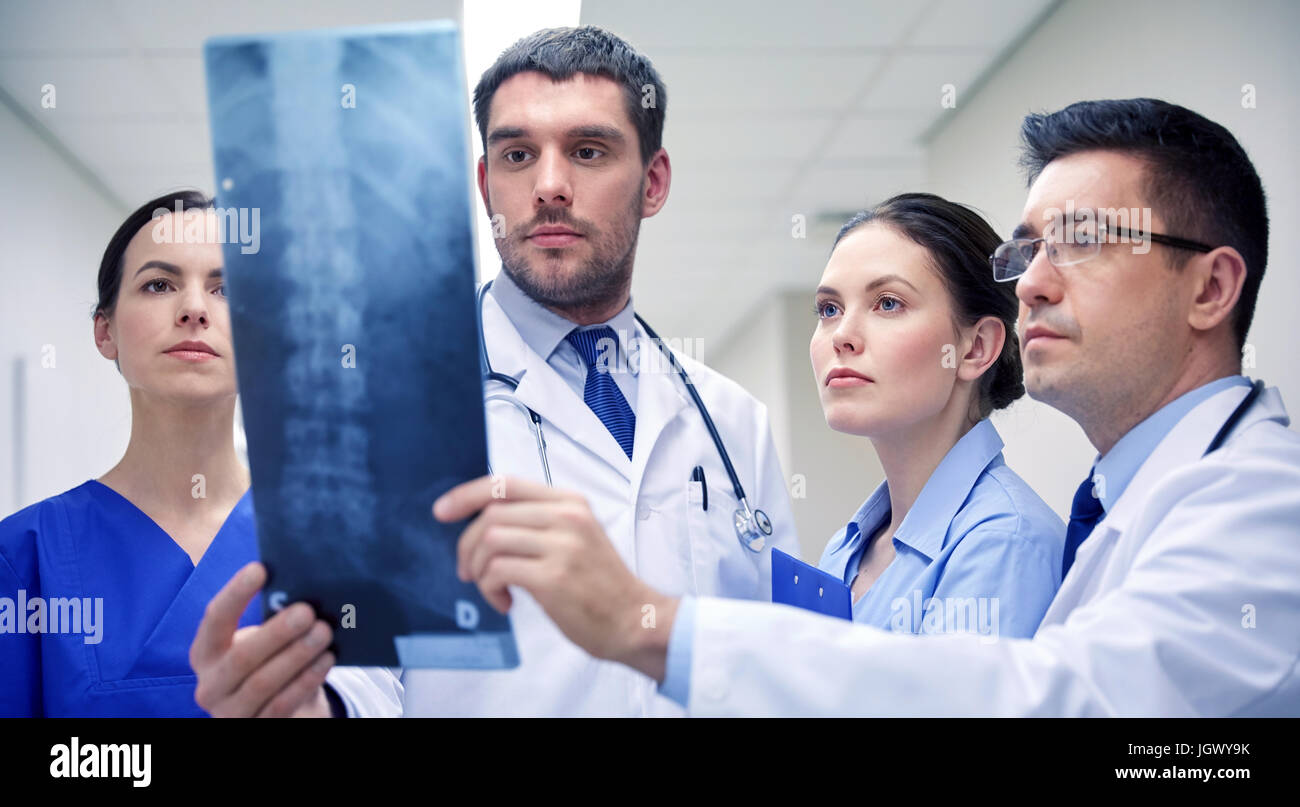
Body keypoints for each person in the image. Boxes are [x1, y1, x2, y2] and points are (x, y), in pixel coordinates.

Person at [444, 98, 1300, 716]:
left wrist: (657, 629)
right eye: (1029, 249)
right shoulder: (1114, 505)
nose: (1031, 282)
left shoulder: (1262, 506)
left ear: (1211, 286)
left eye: (1079, 243)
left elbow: (1078, 708)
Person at [194, 26, 800, 717]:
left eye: (588, 150)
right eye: (517, 154)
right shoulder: (389, 406)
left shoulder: (732, 423)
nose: (548, 186)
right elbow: (362, 665)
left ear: (653, 181)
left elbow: (775, 661)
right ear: (485, 183)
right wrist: (308, 707)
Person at [0, 191, 400, 717]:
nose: (193, 309)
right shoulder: (25, 556)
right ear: (105, 330)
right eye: (159, 284)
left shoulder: (338, 552)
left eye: (226, 288)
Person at [809, 193, 1062, 637]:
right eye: (830, 309)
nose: (842, 335)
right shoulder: (844, 552)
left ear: (976, 347)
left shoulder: (1002, 543)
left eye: (888, 303)